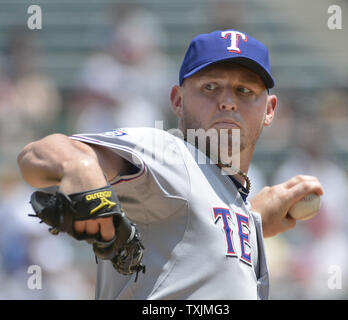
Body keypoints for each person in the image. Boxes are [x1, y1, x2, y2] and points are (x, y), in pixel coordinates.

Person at [17, 30, 323, 300]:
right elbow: (38, 154)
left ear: (269, 110)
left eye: (245, 91)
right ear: (177, 101)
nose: (228, 101)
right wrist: (80, 166)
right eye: (210, 88)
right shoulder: (170, 153)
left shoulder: (230, 196)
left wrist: (252, 219)